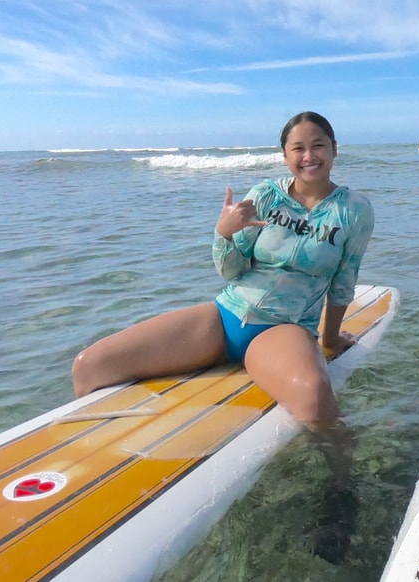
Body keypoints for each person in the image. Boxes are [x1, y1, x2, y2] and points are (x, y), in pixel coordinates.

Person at [71, 111, 374, 562]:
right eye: (298, 148)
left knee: (314, 396)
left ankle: (341, 494)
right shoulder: (263, 198)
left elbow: (343, 283)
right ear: (285, 154)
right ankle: (92, 477)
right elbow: (231, 270)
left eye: (318, 145)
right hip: (224, 315)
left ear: (334, 149)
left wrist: (330, 340)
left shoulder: (353, 211)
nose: (308, 156)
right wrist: (223, 233)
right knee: (91, 365)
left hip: (281, 330)